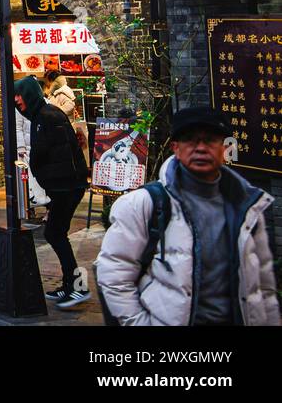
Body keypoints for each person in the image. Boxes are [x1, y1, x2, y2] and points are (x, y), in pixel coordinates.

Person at [96, 106, 278, 326]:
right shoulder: (144, 204)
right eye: (190, 140)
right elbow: (114, 277)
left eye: (210, 140)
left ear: (225, 148)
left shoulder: (247, 205)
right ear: (176, 148)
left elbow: (264, 285)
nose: (200, 148)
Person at [14, 75, 91, 309]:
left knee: (55, 234)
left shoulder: (48, 117)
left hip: (67, 187)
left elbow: (59, 155)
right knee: (56, 233)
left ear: (29, 95)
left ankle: (78, 287)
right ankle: (70, 285)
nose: (17, 101)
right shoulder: (41, 116)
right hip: (62, 187)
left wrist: (37, 165)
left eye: (20, 97)